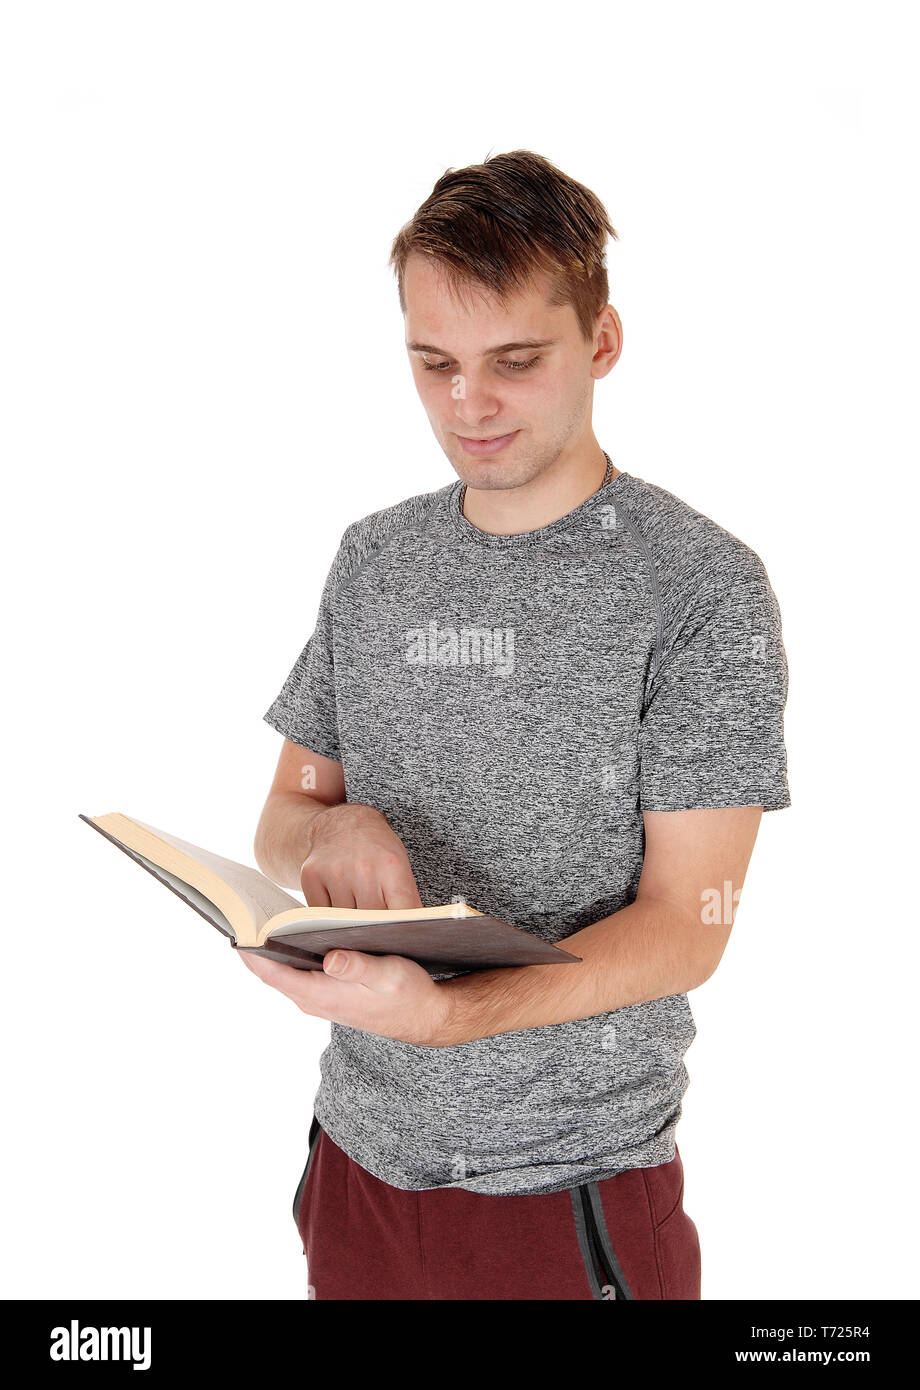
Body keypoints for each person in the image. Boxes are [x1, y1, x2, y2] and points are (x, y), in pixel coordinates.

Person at [241, 149, 791, 1301]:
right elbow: (286, 811)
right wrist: (330, 830)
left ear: (601, 342)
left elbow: (686, 926)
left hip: (568, 1194)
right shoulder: (373, 559)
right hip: (354, 1164)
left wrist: (453, 1018)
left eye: (514, 361)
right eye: (433, 363)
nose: (467, 405)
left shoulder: (698, 587)